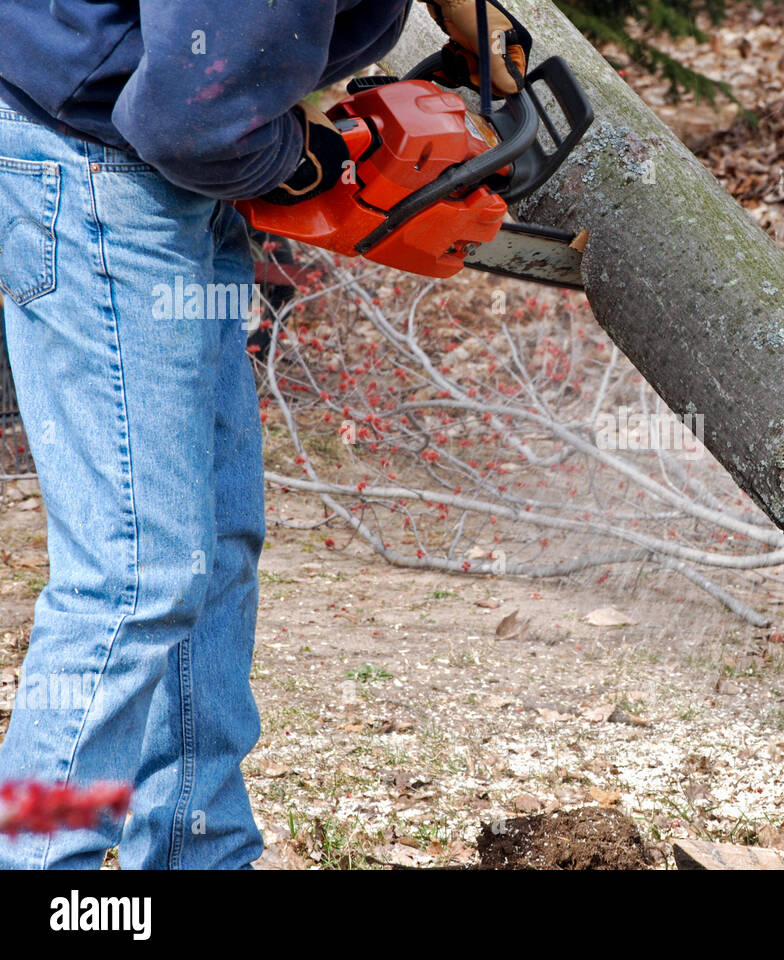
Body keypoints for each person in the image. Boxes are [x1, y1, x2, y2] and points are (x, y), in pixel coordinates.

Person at [0, 0, 527, 870]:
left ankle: (197, 852)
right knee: (136, 574)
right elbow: (189, 122)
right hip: (100, 163)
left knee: (211, 544)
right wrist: (305, 161)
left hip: (161, 165)